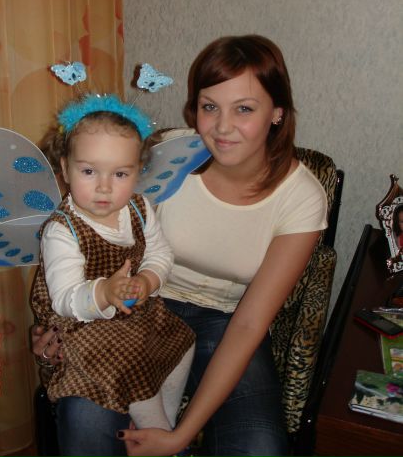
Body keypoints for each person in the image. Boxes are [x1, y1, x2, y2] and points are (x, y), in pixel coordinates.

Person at [33, 34, 328, 457]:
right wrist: (56, 318)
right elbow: (84, 229)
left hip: (227, 323)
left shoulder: (301, 197)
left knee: (259, 447)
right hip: (132, 307)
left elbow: (249, 324)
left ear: (277, 112)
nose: (222, 127)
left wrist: (179, 435)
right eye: (210, 107)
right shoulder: (167, 154)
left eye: (244, 108)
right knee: (86, 422)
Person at [30, 93, 195, 457]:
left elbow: (160, 253)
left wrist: (148, 280)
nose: (104, 187)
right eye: (89, 171)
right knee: (130, 361)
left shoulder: (139, 208)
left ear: (137, 171)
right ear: (65, 169)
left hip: (135, 311)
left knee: (183, 341)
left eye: (120, 174)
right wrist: (105, 292)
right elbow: (65, 299)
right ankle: (160, 435)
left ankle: (162, 421)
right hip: (84, 326)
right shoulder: (62, 230)